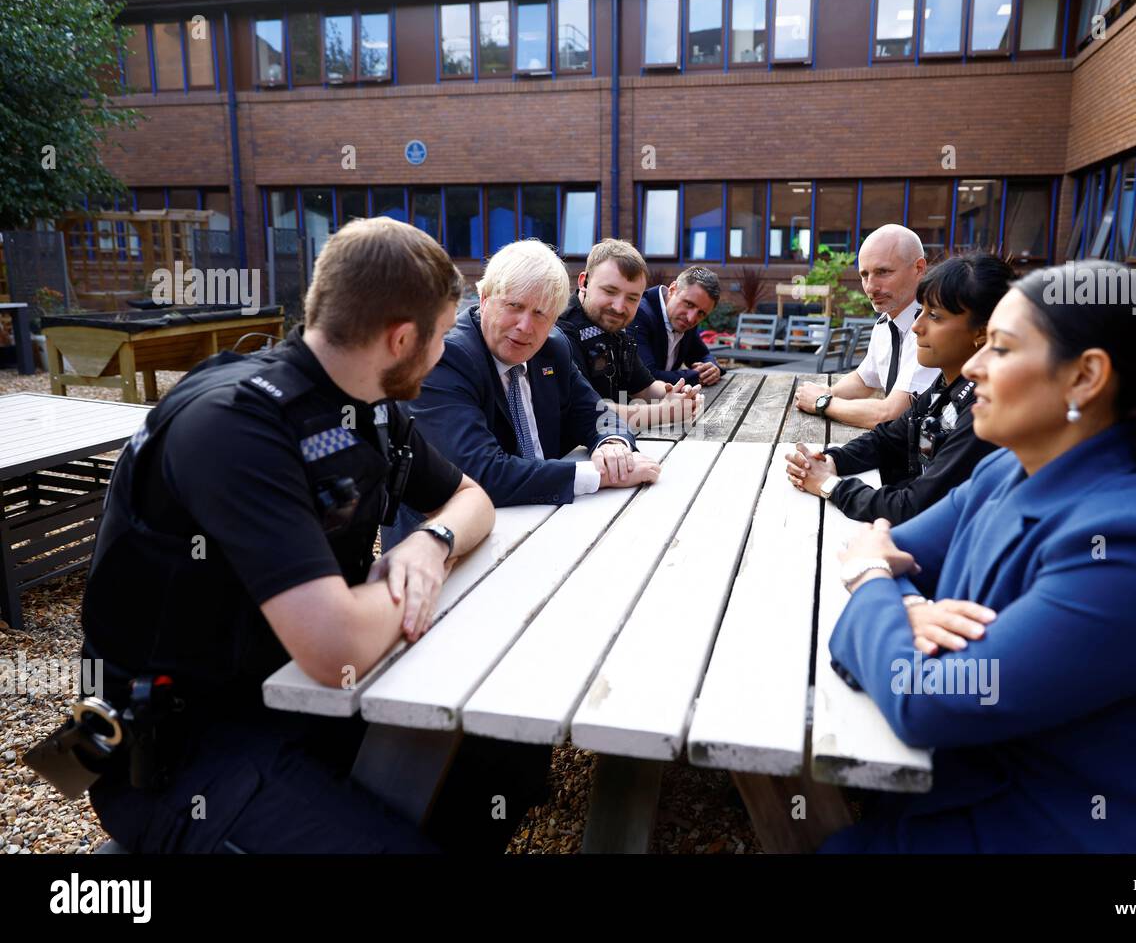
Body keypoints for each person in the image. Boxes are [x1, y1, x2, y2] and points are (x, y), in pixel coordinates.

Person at [823, 260, 1136, 853]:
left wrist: (875, 587)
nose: (972, 367)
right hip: (1006, 808)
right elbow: (874, 577)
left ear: (1084, 378)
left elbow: (926, 697)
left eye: (999, 348)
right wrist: (903, 605)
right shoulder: (1006, 470)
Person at [74, 218, 498, 853]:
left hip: (293, 699)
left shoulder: (367, 406)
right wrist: (401, 592)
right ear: (402, 337)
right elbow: (339, 648)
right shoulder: (235, 426)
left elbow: (472, 499)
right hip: (182, 753)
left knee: (498, 766)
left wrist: (426, 544)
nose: (444, 354)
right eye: (443, 337)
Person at [389, 238, 659, 522]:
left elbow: (597, 415)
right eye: (514, 306)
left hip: (544, 516)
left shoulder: (553, 348)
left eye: (541, 313)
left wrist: (612, 446)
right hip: (449, 542)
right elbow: (481, 472)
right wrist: (599, 475)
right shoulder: (446, 358)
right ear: (484, 299)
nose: (525, 327)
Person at [784, 252, 1011, 523]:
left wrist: (830, 485)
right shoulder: (948, 385)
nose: (916, 326)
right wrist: (832, 460)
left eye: (935, 316)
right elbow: (889, 438)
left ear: (981, 333)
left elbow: (913, 507)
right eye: (921, 312)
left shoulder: (983, 408)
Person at [794, 225, 940, 429]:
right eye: (864, 275)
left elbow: (891, 415)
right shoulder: (885, 323)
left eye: (883, 272)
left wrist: (822, 403)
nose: (871, 287)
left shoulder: (934, 329)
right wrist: (825, 393)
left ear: (919, 268)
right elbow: (864, 380)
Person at [556, 238, 701, 430]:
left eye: (632, 298)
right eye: (610, 291)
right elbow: (587, 410)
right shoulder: (560, 333)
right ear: (584, 282)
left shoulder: (614, 330)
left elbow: (644, 387)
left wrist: (676, 394)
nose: (619, 307)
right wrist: (664, 412)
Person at [628, 265, 725, 387]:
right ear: (673, 289)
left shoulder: (684, 319)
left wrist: (712, 369)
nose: (691, 318)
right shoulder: (639, 313)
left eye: (701, 313)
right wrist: (696, 375)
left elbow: (702, 355)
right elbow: (647, 376)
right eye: (689, 304)